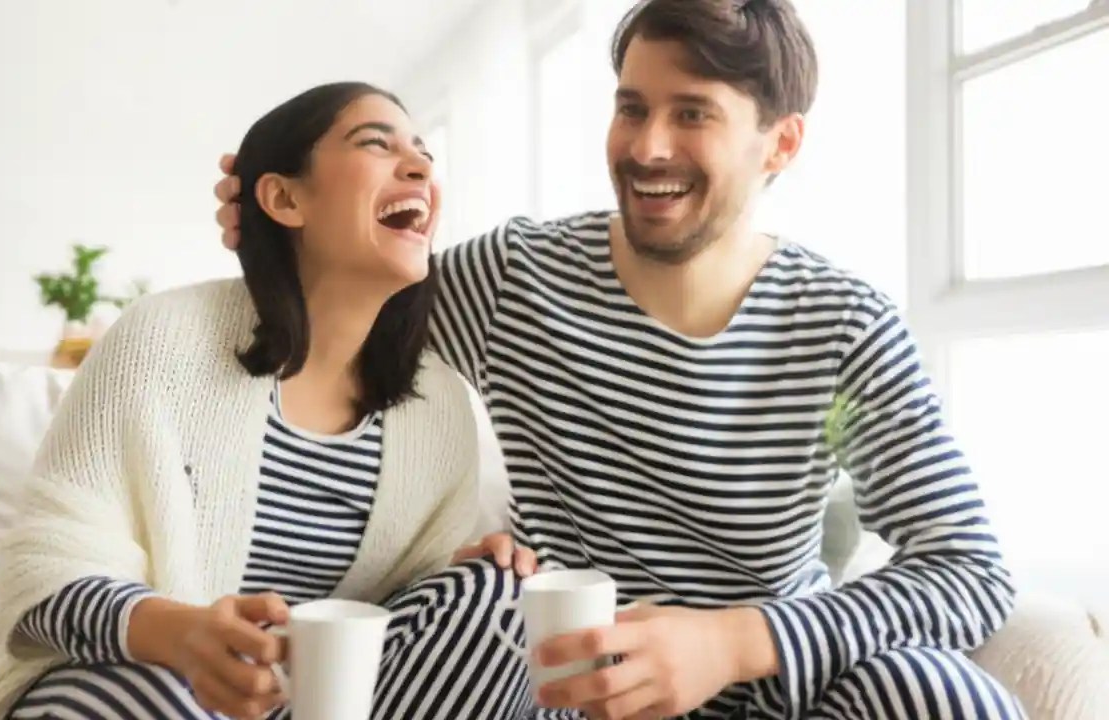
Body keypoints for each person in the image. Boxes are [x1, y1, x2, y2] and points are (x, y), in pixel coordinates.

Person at [212, 2, 1025, 719]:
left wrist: (736, 644)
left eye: (694, 114)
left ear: (780, 144)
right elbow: (349, 290)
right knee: (481, 609)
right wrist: (287, 218)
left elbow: (968, 570)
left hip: (780, 691)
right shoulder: (515, 280)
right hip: (568, 694)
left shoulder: (843, 328)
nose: (648, 147)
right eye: (631, 108)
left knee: (938, 693)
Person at [0, 82, 536, 720]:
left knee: (497, 596)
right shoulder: (161, 338)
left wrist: (455, 576)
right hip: (146, 683)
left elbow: (393, 623)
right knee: (153, 690)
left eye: (422, 152)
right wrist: (183, 635)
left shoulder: (437, 404)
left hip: (309, 704)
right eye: (375, 144)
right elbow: (42, 569)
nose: (420, 165)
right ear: (284, 197)